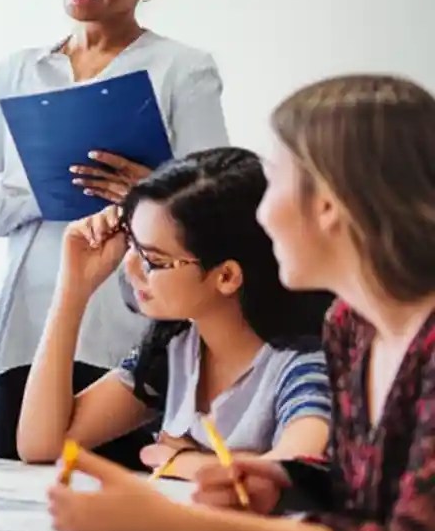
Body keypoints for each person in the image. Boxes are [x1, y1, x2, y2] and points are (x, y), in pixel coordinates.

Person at [47, 75, 435, 531]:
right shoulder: (351, 327)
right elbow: (368, 505)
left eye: (274, 183)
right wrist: (287, 481)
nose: (262, 214)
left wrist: (178, 530)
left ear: (330, 206)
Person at [0, 0, 230, 462]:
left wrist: (147, 198)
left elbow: (217, 213)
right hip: (23, 338)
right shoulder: (18, 70)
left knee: (102, 521)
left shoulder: (182, 70)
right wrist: (45, 180)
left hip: (125, 344)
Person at [17, 148, 332, 479]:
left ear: (226, 276)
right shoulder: (178, 349)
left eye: (155, 260)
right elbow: (41, 444)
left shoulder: (302, 363)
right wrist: (73, 288)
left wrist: (181, 461)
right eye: (133, 246)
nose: (130, 267)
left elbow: (298, 470)